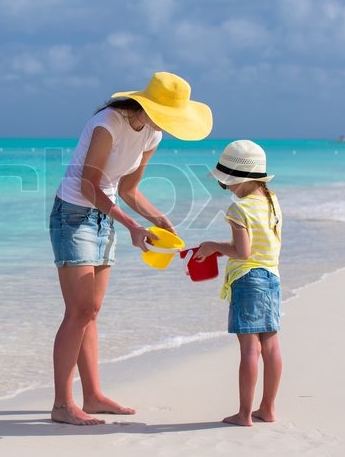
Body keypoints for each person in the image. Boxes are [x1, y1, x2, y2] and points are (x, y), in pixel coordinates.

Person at [49, 72, 213, 425]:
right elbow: (88, 185)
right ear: (148, 105)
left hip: (105, 216)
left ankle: (92, 397)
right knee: (77, 311)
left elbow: (127, 189)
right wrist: (134, 228)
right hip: (74, 214)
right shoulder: (108, 123)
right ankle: (62, 404)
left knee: (91, 311)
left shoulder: (154, 133)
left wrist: (158, 218)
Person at [194, 140, 283, 427]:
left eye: (228, 183)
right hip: (272, 277)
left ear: (239, 181)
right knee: (270, 346)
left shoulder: (238, 209)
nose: (227, 188)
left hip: (248, 280)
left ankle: (244, 414)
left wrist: (212, 246)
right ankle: (267, 409)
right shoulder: (272, 201)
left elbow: (242, 252)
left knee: (249, 350)